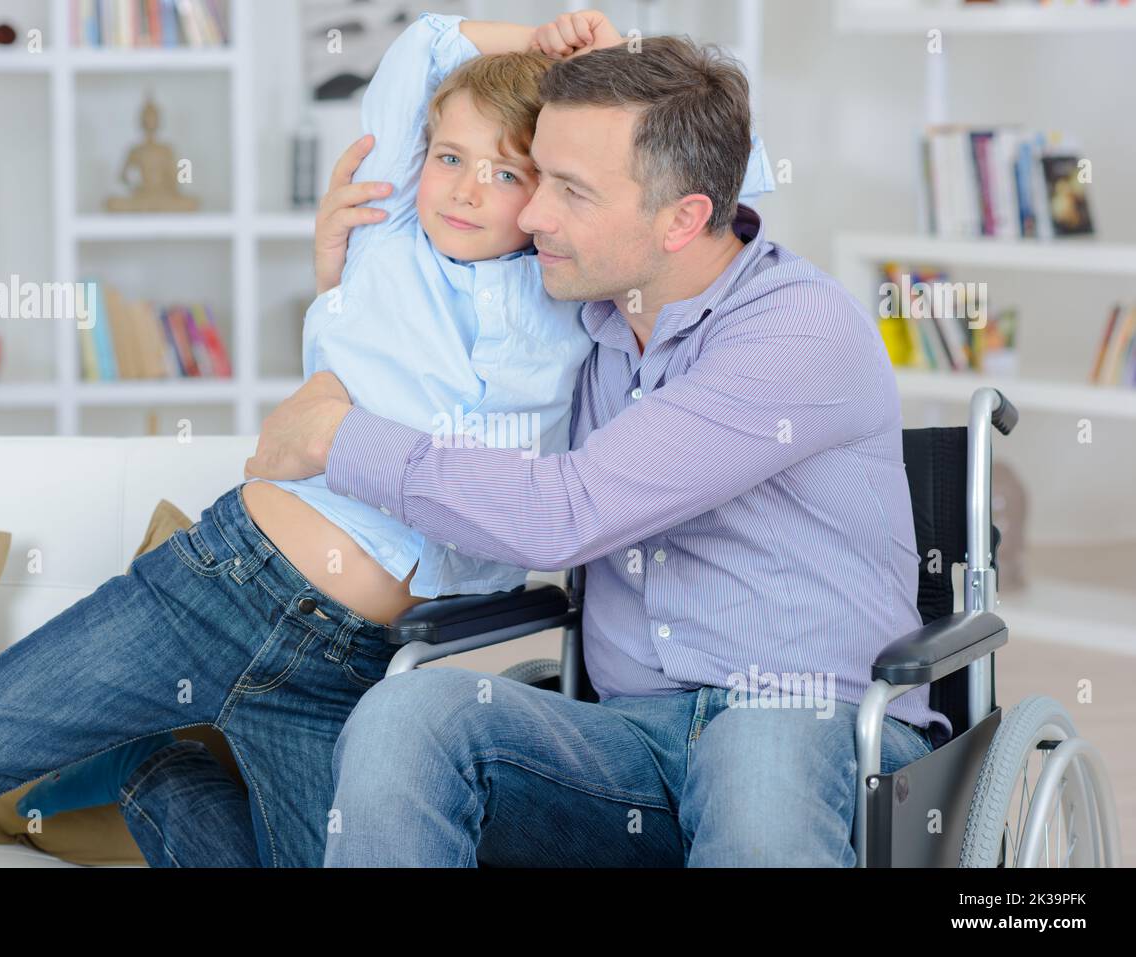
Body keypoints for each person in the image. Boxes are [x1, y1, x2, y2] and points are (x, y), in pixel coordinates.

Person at [0, 11, 771, 869]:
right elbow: (424, 49)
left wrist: (613, 59)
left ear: (549, 200)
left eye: (507, 172)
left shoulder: (575, 294)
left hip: (352, 662)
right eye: (448, 157)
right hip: (223, 586)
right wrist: (538, 34)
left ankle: (154, 770)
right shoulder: (391, 229)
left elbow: (722, 185)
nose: (466, 188)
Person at [245, 27, 948, 868]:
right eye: (537, 175)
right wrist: (349, 277)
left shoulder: (800, 329)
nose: (530, 212)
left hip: (812, 723)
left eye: (568, 190)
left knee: (760, 753)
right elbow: (432, 367)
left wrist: (335, 435)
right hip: (629, 744)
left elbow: (565, 513)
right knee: (409, 715)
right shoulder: (578, 330)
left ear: (685, 218)